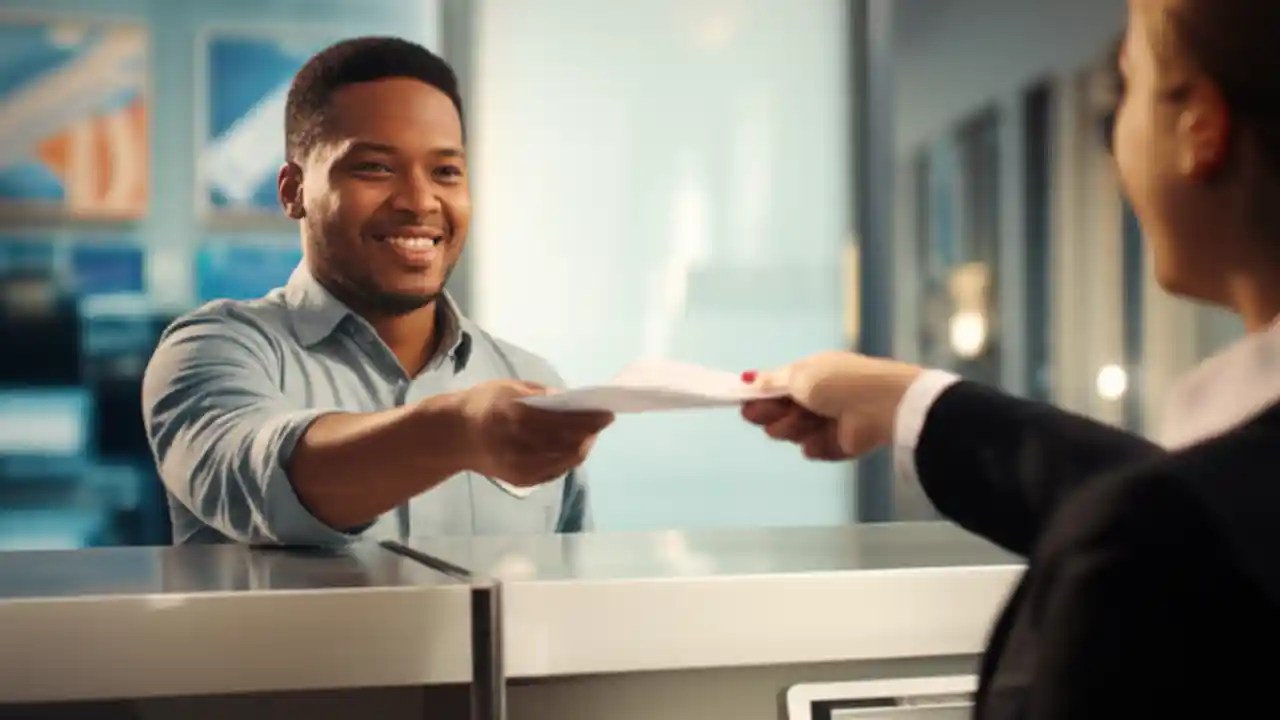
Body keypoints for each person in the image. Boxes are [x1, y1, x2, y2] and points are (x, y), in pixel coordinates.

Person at [744, 0, 1280, 716]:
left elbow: (1184, 531)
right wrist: (910, 403)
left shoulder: (1156, 558)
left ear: (1199, 128)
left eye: (1127, 89)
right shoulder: (1196, 519)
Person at [142, 37, 613, 545]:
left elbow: (565, 590)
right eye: (375, 168)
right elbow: (265, 484)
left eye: (446, 172)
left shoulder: (529, 380)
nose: (419, 201)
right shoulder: (211, 350)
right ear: (293, 191)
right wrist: (460, 432)